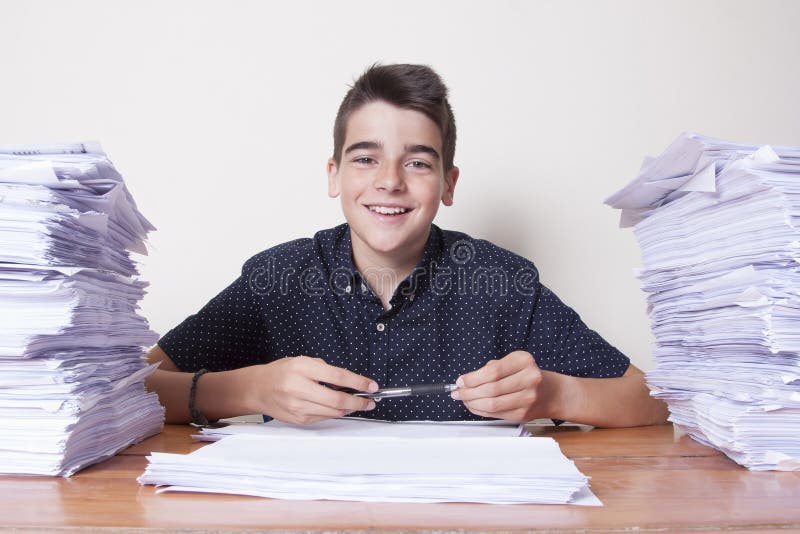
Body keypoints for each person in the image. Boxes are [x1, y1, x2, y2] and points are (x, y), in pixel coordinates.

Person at [145, 63, 668, 428]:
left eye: (417, 162)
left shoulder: (500, 282)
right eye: (365, 158)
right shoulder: (276, 280)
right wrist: (249, 390)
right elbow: (138, 386)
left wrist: (554, 394)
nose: (390, 181)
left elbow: (652, 401)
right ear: (334, 175)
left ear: (448, 183)